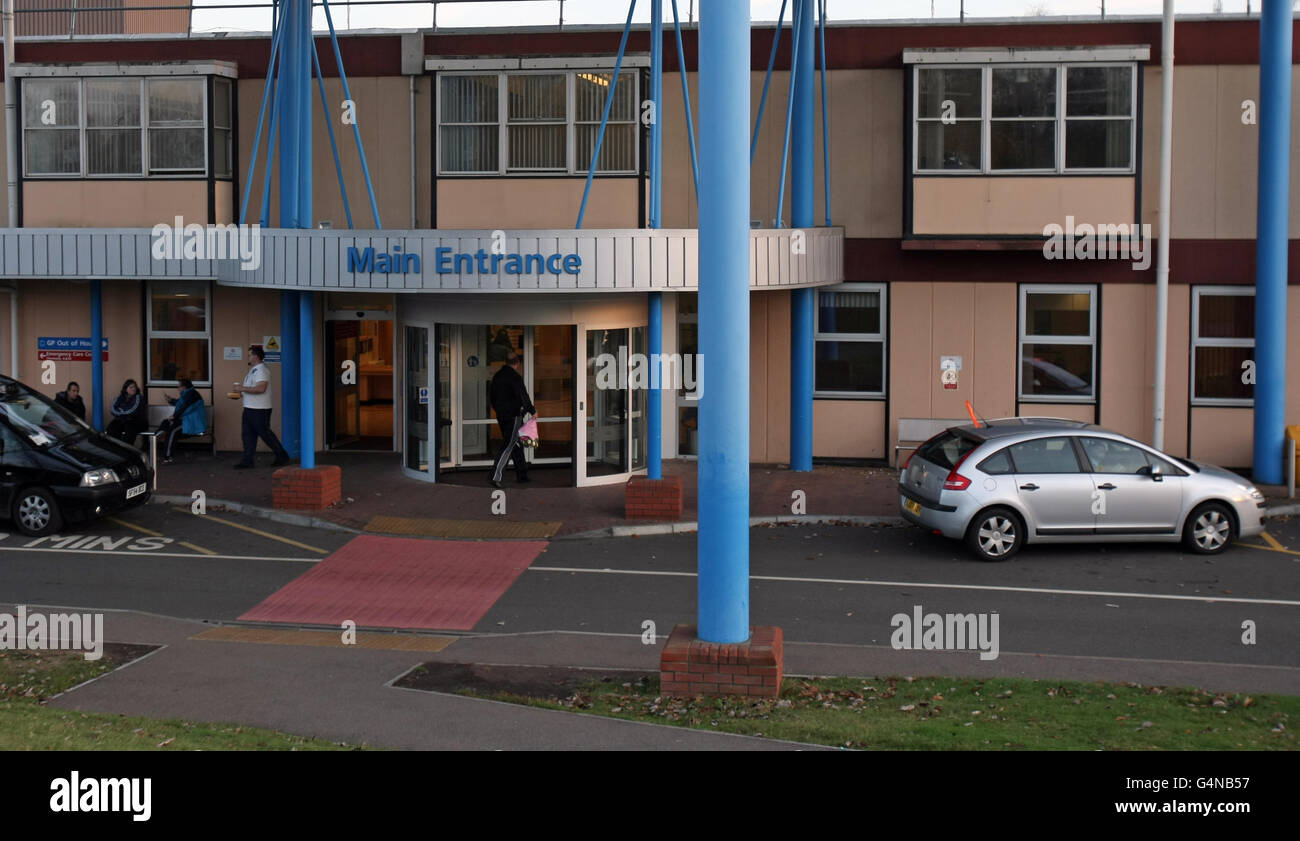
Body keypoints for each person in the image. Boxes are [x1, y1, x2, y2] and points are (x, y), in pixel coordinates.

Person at [232, 345, 291, 469]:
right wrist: (240, 394)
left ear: (256, 356)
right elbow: (252, 389)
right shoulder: (253, 370)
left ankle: (282, 455)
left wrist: (241, 388)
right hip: (249, 407)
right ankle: (247, 460)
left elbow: (261, 388)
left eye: (249, 354)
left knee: (265, 434)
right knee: (248, 435)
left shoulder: (261, 370)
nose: (247, 357)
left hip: (259, 409)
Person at [488, 352, 535, 489]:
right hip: (513, 416)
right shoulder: (515, 377)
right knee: (509, 444)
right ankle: (495, 476)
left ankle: (522, 475)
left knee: (515, 444)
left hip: (501, 416)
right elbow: (523, 395)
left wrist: (498, 410)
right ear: (517, 363)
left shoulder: (497, 376)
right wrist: (532, 411)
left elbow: (492, 396)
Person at [156, 377, 206, 464]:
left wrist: (174, 416)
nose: (178, 388)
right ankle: (157, 437)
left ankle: (167, 457)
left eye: (179, 386)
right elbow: (180, 403)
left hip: (191, 422)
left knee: (172, 432)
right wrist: (171, 400)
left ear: (184, 387)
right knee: (165, 423)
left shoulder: (191, 394)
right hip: (184, 419)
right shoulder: (188, 393)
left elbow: (185, 408)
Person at [106, 379, 148, 444]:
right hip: (124, 421)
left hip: (138, 421)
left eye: (135, 387)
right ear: (125, 389)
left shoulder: (139, 397)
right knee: (112, 427)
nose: (134, 389)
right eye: (131, 387)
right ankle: (114, 448)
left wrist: (121, 410)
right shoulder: (120, 397)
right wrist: (123, 412)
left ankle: (126, 451)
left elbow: (132, 410)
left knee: (129, 429)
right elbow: (113, 410)